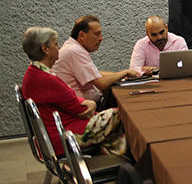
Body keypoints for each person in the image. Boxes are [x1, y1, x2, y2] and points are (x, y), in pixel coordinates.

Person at [21, 27, 126, 156]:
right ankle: (125, 158)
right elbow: (81, 110)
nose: (59, 48)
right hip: (64, 136)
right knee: (121, 114)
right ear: (45, 49)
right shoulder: (46, 78)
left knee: (113, 117)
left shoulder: (34, 73)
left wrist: (84, 102)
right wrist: (90, 103)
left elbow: (68, 100)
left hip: (56, 132)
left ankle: (114, 154)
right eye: (55, 44)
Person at [53, 15, 138, 104]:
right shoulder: (75, 51)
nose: (101, 38)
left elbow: (95, 74)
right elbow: (101, 84)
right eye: (97, 34)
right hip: (85, 107)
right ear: (82, 35)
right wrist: (125, 73)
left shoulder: (73, 47)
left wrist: (122, 75)